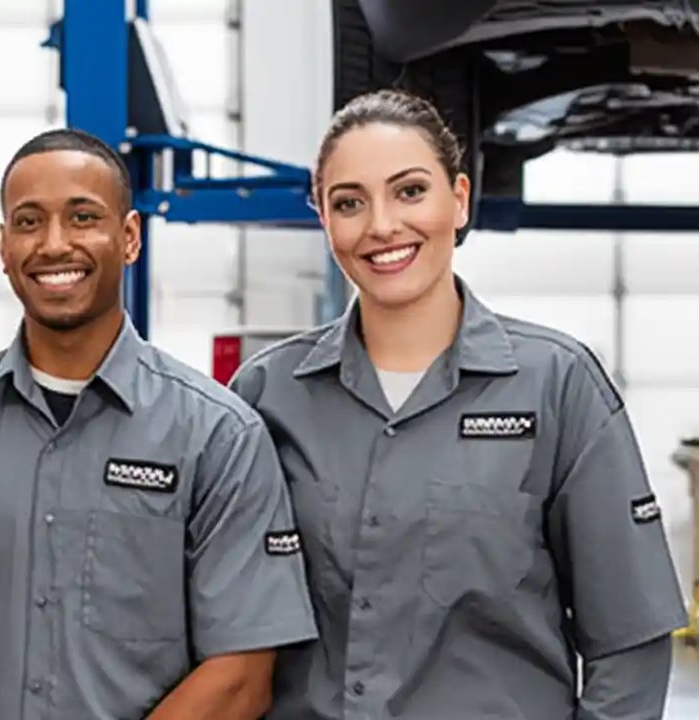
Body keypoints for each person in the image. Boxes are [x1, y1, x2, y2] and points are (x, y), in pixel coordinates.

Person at [227, 88, 690, 719]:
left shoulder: (556, 384)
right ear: (323, 219)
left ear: (461, 199)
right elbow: (224, 628)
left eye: (410, 191)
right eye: (349, 203)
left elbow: (630, 643)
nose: (382, 225)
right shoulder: (265, 395)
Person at [0, 128, 319, 719]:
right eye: (29, 221)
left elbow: (240, 676)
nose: (54, 244)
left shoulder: (219, 437)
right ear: (4, 246)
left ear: (130, 236)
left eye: (83, 216)